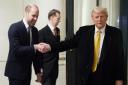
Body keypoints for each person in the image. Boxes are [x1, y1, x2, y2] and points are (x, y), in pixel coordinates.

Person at [49, 7, 125, 85]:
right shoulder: (83, 31)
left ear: (106, 17)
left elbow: (120, 58)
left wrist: (119, 79)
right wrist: (50, 47)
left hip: (107, 78)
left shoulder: (116, 33)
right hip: (86, 77)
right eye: (97, 17)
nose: (99, 19)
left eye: (102, 16)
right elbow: (68, 43)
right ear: (92, 18)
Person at [4, 4, 50, 85]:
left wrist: (38, 72)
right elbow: (16, 50)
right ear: (26, 13)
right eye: (33, 16)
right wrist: (35, 47)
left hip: (27, 73)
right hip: (15, 73)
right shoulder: (14, 28)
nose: (35, 19)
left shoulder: (35, 31)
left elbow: (35, 54)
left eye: (37, 16)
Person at [38, 9, 61, 85]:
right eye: (58, 18)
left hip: (55, 68)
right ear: (51, 17)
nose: (59, 21)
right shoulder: (42, 32)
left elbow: (57, 46)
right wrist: (40, 70)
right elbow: (39, 53)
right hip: (46, 69)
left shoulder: (57, 30)